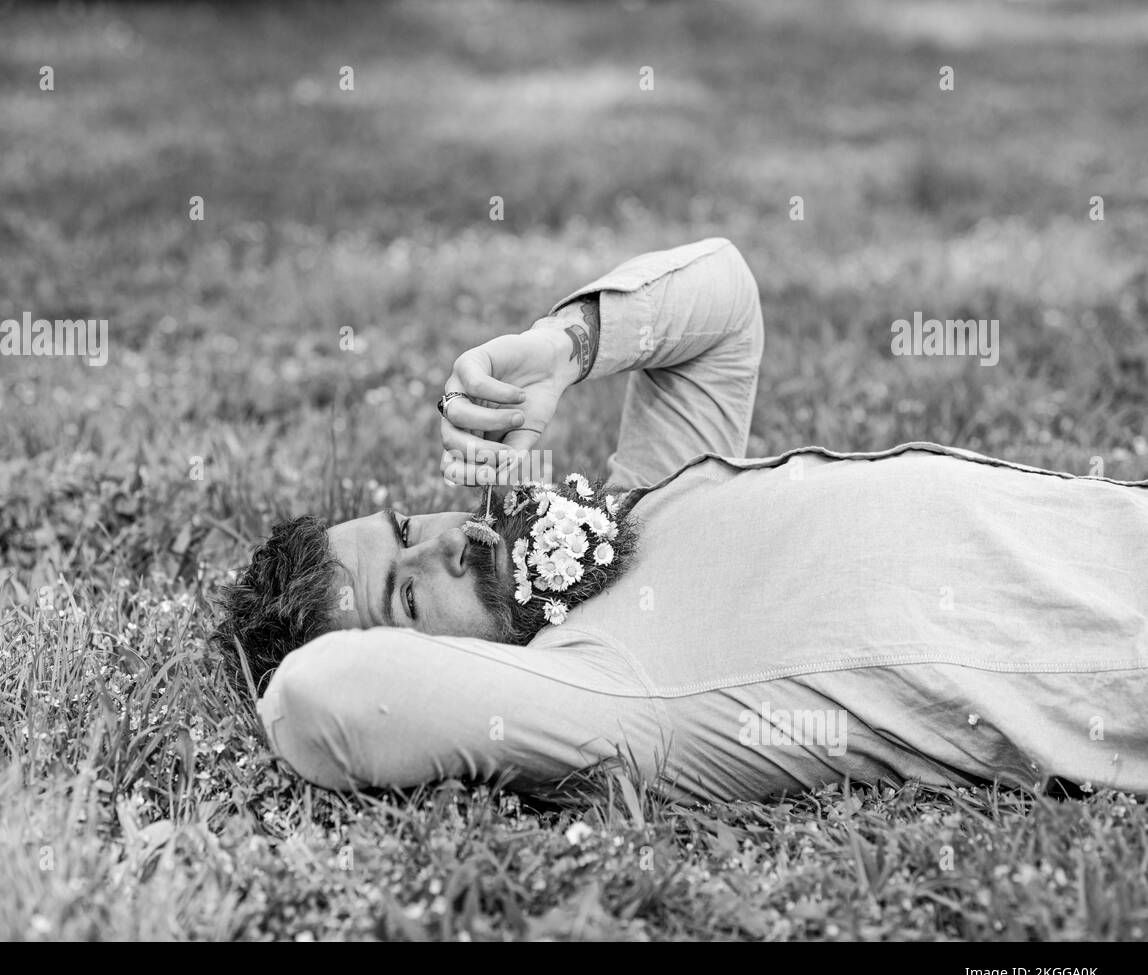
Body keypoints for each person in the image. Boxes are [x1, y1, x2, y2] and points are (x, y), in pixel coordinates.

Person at [217, 238, 1148, 803]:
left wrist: (563, 347)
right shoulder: (604, 698)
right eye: (412, 594)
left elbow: (723, 294)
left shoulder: (633, 511)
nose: (455, 539)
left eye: (408, 521)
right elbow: (320, 694)